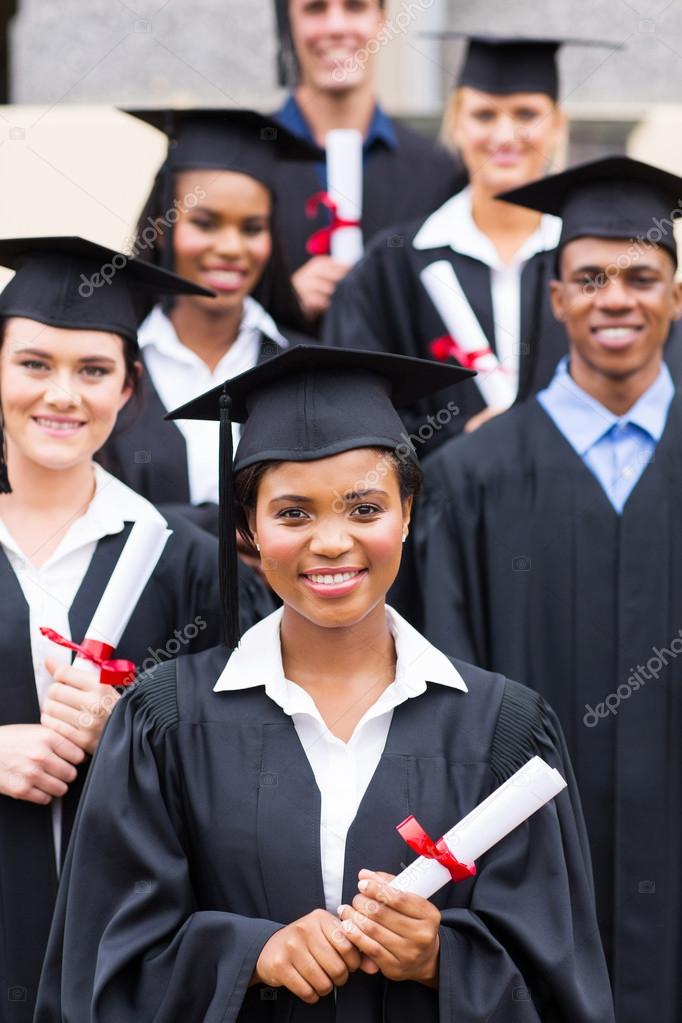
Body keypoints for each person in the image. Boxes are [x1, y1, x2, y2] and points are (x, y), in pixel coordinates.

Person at [36, 345, 614, 1022]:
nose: (332, 541)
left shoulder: (502, 730)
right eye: (294, 513)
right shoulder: (164, 723)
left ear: (408, 512)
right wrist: (248, 953)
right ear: (248, 528)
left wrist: (440, 957)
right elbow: (100, 973)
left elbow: (563, 984)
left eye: (364, 508)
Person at [416, 156, 682, 1023]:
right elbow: (452, 698)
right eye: (591, 277)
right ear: (557, 296)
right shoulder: (471, 479)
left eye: (642, 276)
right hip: (530, 867)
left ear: (675, 295)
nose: (617, 298)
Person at [0, 236, 272, 1023]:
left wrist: (130, 734)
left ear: (130, 387)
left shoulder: (183, 561)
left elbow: (247, 759)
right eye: (34, 363)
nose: (62, 394)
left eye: (93, 370)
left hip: (121, 954)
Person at [325, 34, 619, 446]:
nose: (504, 135)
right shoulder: (395, 264)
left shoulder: (592, 261)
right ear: (457, 125)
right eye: (484, 115)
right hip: (436, 501)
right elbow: (352, 405)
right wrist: (459, 438)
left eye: (525, 114)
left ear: (557, 125)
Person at [98, 109, 316, 536]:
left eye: (252, 228)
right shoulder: (111, 363)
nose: (231, 248)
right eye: (204, 223)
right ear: (162, 228)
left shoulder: (303, 368)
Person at [271, 0, 462, 323]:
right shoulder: (246, 160)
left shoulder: (438, 171)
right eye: (315, 8)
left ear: (382, 21)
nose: (335, 27)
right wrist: (279, 300)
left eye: (355, 7)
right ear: (289, 23)